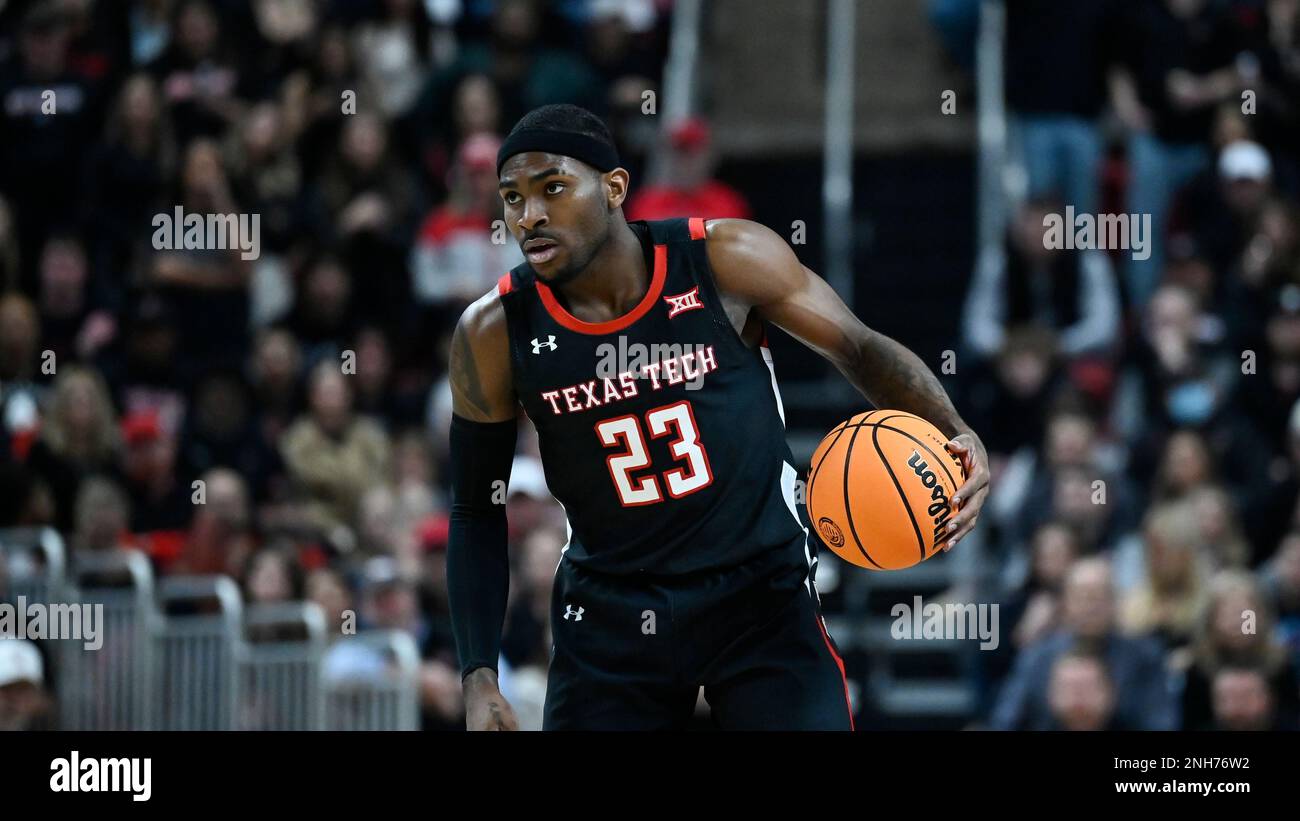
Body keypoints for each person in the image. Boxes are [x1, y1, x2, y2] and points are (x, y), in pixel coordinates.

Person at [446, 104, 990, 730]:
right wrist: (478, 675)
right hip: (613, 614)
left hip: (760, 592)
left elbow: (859, 347)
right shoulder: (492, 330)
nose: (529, 215)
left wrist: (953, 429)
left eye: (553, 188)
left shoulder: (724, 257)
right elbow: (474, 508)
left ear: (615, 188)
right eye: (511, 198)